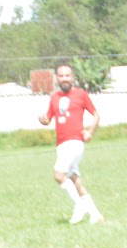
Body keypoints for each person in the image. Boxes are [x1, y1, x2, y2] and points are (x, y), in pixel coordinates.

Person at [38, 64, 102, 224]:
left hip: (75, 142)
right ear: (57, 78)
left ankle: (79, 205)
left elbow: (95, 114)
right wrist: (43, 119)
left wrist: (90, 132)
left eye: (67, 75)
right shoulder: (54, 97)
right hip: (61, 144)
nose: (64, 78)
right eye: (61, 76)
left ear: (72, 77)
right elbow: (48, 119)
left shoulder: (81, 94)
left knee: (59, 175)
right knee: (74, 179)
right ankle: (95, 214)